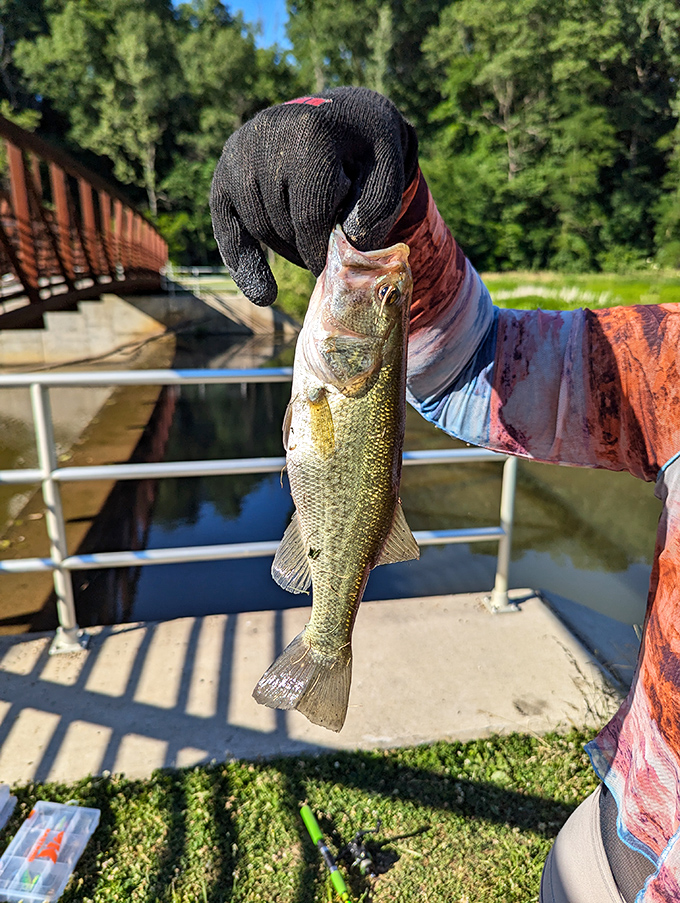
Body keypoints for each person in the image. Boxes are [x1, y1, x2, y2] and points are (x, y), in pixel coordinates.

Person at [210, 86, 680, 902]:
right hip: (617, 835)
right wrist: (390, 199)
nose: (377, 290)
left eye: (382, 298)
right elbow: (481, 363)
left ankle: (326, 644)